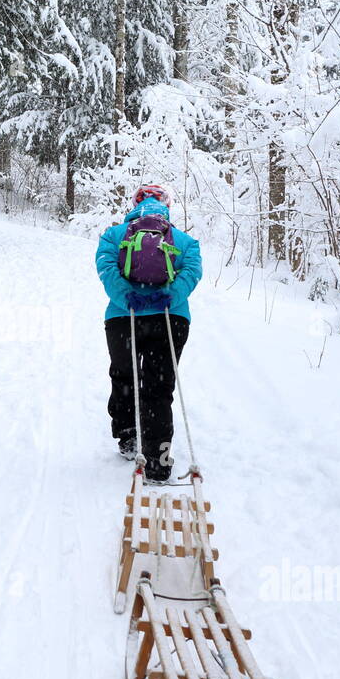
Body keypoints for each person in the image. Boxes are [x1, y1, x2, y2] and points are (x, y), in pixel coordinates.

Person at [95, 184, 202, 483]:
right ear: (167, 207)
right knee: (159, 386)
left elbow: (105, 267)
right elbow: (192, 272)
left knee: (124, 376)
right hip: (171, 317)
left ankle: (129, 438)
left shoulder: (114, 234)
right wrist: (168, 296)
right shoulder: (185, 241)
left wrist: (127, 296)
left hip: (122, 316)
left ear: (134, 206)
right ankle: (159, 461)